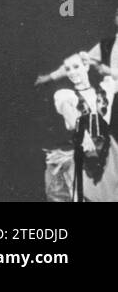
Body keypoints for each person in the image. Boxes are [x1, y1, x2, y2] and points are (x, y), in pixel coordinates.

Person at [52, 51, 118, 202]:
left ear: (86, 66)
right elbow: (67, 109)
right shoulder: (66, 94)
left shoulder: (106, 89)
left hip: (109, 152)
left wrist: (96, 63)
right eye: (68, 69)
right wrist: (82, 133)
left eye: (76, 66)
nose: (72, 72)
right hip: (84, 152)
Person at [36, 5, 118, 86]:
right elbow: (78, 62)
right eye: (117, 14)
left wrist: (111, 71)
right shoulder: (107, 44)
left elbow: (109, 71)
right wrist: (50, 77)